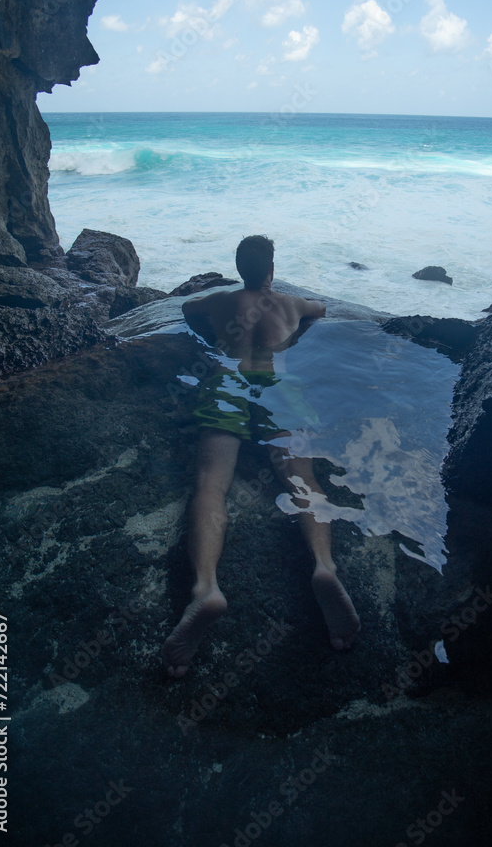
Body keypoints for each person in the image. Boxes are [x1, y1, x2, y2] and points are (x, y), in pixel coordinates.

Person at [162, 235, 360, 678]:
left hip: (227, 385)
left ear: (238, 268)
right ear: (271, 269)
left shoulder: (220, 301)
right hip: (278, 389)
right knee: (302, 479)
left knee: (212, 484)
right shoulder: (291, 305)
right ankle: (324, 567)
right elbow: (325, 309)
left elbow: (185, 310)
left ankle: (206, 589)